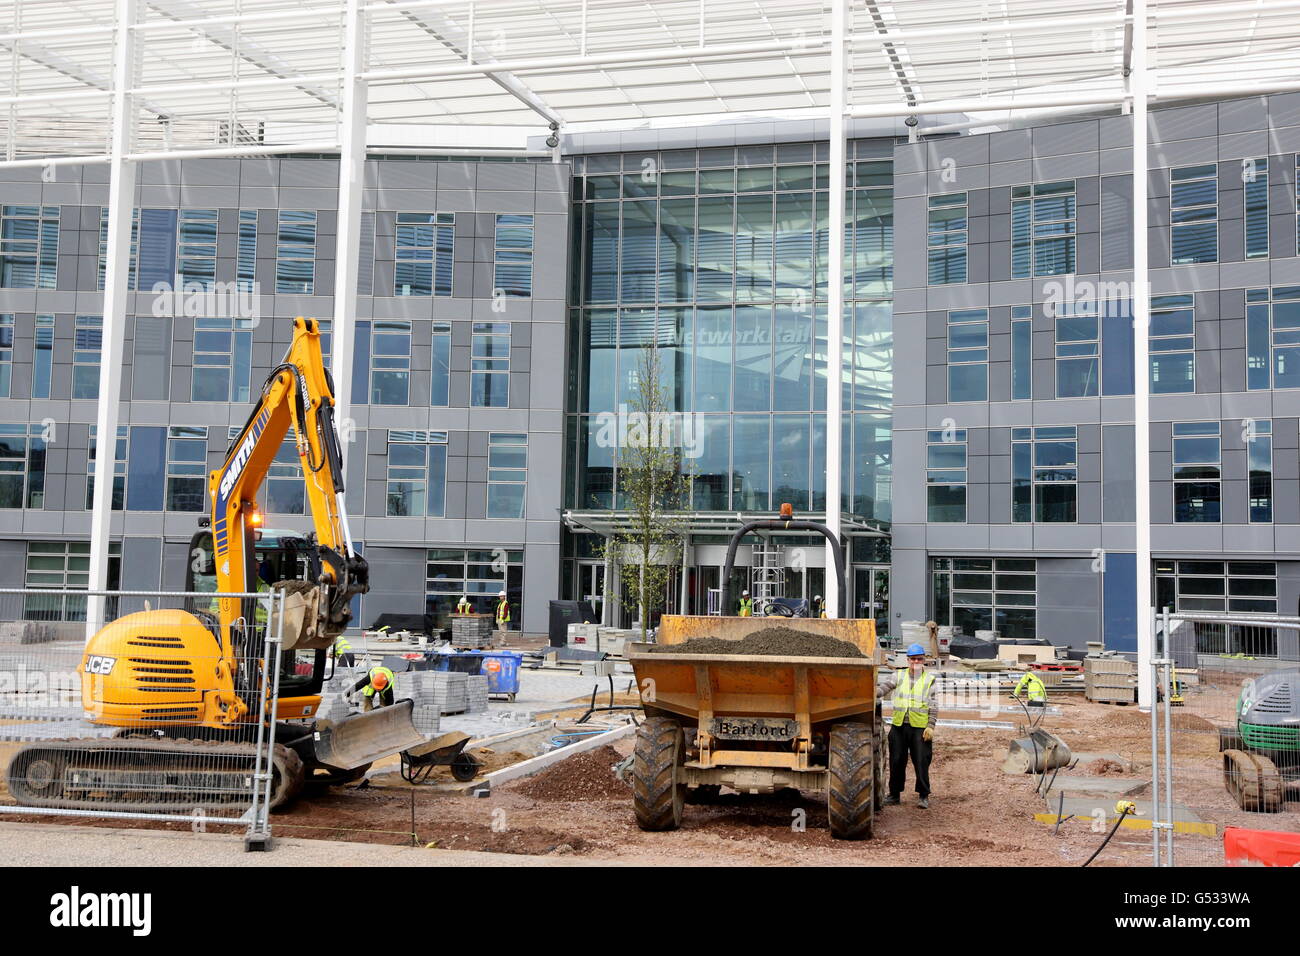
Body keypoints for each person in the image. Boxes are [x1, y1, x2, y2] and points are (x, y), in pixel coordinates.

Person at [878, 642, 939, 809]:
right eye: (913, 659)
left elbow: (934, 705)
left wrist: (930, 726)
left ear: (923, 660)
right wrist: (870, 693)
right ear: (908, 660)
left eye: (919, 659)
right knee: (896, 760)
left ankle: (923, 795)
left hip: (920, 727)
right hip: (899, 726)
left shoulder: (929, 680)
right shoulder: (898, 675)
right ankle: (894, 794)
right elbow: (884, 688)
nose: (916, 662)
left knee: (922, 761)